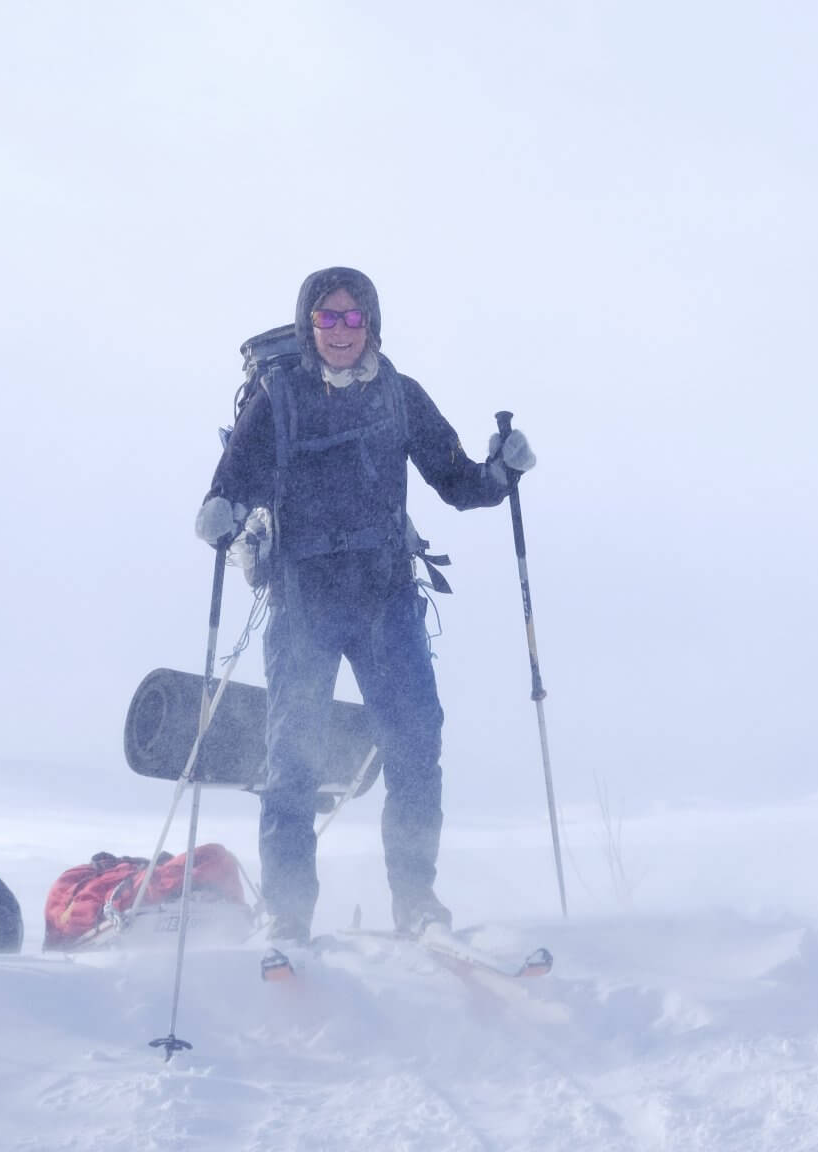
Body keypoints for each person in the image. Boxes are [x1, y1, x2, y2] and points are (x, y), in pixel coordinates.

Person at [195, 266, 534, 945]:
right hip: (303, 603)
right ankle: (286, 910)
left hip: (385, 601)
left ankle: (416, 900)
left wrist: (503, 473)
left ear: (372, 323)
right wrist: (220, 515)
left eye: (354, 318)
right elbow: (230, 488)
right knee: (293, 761)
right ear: (308, 326)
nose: (342, 331)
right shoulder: (279, 399)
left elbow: (459, 483)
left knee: (415, 746)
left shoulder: (399, 397)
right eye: (329, 318)